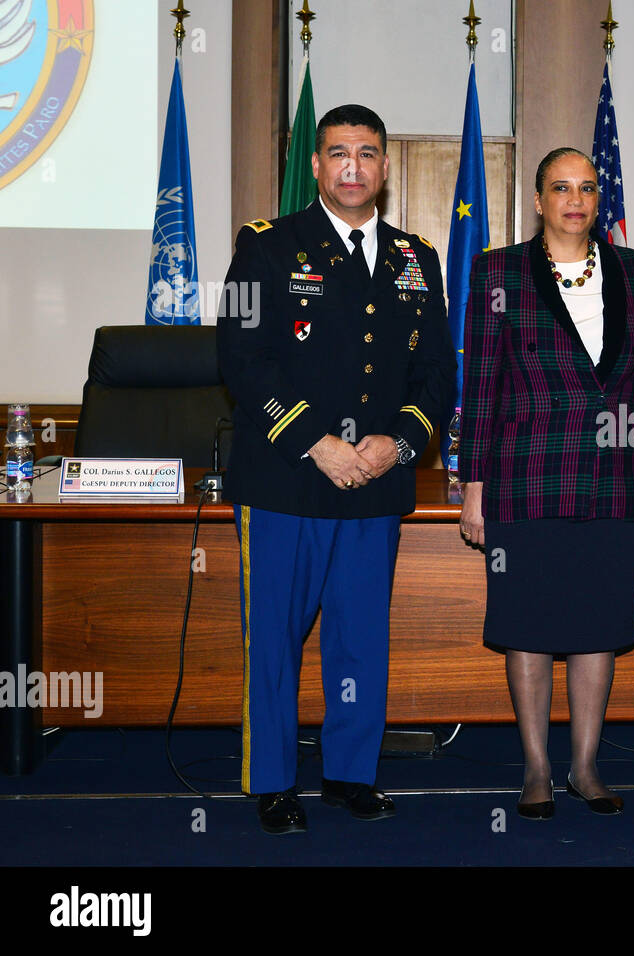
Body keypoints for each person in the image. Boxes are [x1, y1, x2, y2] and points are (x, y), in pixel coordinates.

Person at [217, 104, 457, 835]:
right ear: (316, 166)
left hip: (376, 482)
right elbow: (240, 358)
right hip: (287, 479)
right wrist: (318, 443)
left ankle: (351, 772)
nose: (353, 166)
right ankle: (274, 784)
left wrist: (399, 445)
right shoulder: (265, 247)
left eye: (367, 153)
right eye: (338, 153)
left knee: (360, 637)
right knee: (277, 638)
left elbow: (436, 377)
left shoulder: (417, 257)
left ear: (385, 168)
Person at [458, 147, 634, 820]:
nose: (575, 199)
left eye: (587, 188)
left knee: (597, 626)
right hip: (526, 475)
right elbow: (482, 386)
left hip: (613, 477)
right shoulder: (500, 272)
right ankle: (538, 769)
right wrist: (474, 484)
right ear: (539, 200)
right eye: (560, 188)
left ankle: (585, 766)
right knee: (529, 626)